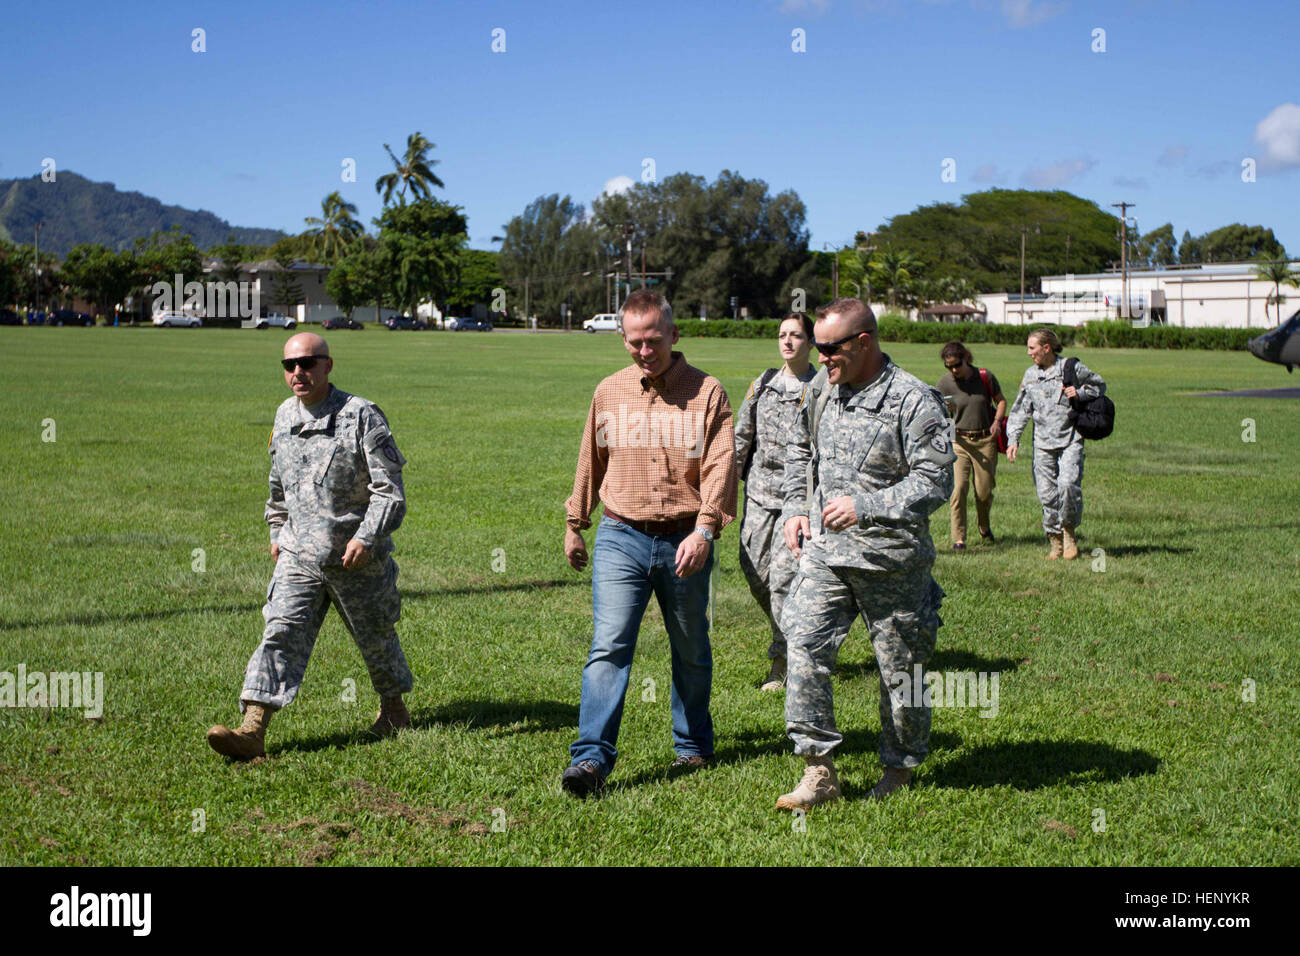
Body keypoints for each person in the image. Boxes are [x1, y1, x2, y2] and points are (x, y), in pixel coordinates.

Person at [776, 298, 954, 809]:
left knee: (903, 672)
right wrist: (796, 507)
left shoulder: (914, 401)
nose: (819, 355)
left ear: (864, 343)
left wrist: (867, 506)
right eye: (817, 345)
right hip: (827, 557)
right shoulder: (822, 390)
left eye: (829, 348)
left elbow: (936, 480)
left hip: (891, 562)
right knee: (803, 644)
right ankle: (818, 771)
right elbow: (799, 448)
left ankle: (898, 770)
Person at [562, 290, 737, 797]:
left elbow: (722, 466)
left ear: (674, 335)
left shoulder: (707, 392)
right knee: (609, 646)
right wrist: (577, 520)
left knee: (691, 649)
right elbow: (590, 458)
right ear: (623, 338)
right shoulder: (609, 391)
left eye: (654, 340)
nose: (644, 351)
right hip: (621, 535)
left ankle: (693, 744)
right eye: (635, 342)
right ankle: (591, 761)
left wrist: (705, 530)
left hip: (686, 536)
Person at [206, 332, 413, 760]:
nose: (298, 372)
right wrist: (277, 530)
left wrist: (366, 537)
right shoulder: (284, 416)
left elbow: (389, 490)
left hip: (356, 558)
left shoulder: (361, 415)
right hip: (300, 554)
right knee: (279, 631)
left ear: (328, 366)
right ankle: (253, 729)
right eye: (289, 365)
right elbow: (277, 484)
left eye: (308, 363)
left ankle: (394, 710)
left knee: (375, 637)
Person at [733, 313, 818, 691]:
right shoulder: (762, 384)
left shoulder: (822, 388)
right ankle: (799, 634)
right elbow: (741, 439)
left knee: (784, 580)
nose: (788, 342)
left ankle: (784, 661)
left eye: (796, 335)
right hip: (757, 495)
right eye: (782, 334)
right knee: (756, 575)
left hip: (798, 501)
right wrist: (720, 490)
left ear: (811, 342)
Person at [1006, 328, 1106, 560]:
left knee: (1068, 485)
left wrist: (1079, 393)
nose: (1029, 353)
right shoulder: (1030, 375)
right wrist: (1014, 439)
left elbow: (1099, 386)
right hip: (1042, 443)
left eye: (1032, 348)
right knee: (1047, 494)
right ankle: (1054, 540)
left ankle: (1069, 533)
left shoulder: (1070, 368)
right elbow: (1021, 409)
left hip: (1071, 438)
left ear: (1046, 348)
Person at [936, 341, 1006, 551]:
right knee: (958, 489)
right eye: (948, 366)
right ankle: (959, 539)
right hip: (959, 443)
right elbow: (940, 414)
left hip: (985, 441)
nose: (953, 370)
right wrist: (945, 441)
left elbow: (1000, 401)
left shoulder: (984, 376)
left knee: (983, 493)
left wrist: (997, 422)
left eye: (957, 364)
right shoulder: (945, 383)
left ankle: (984, 528)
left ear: (966, 358)